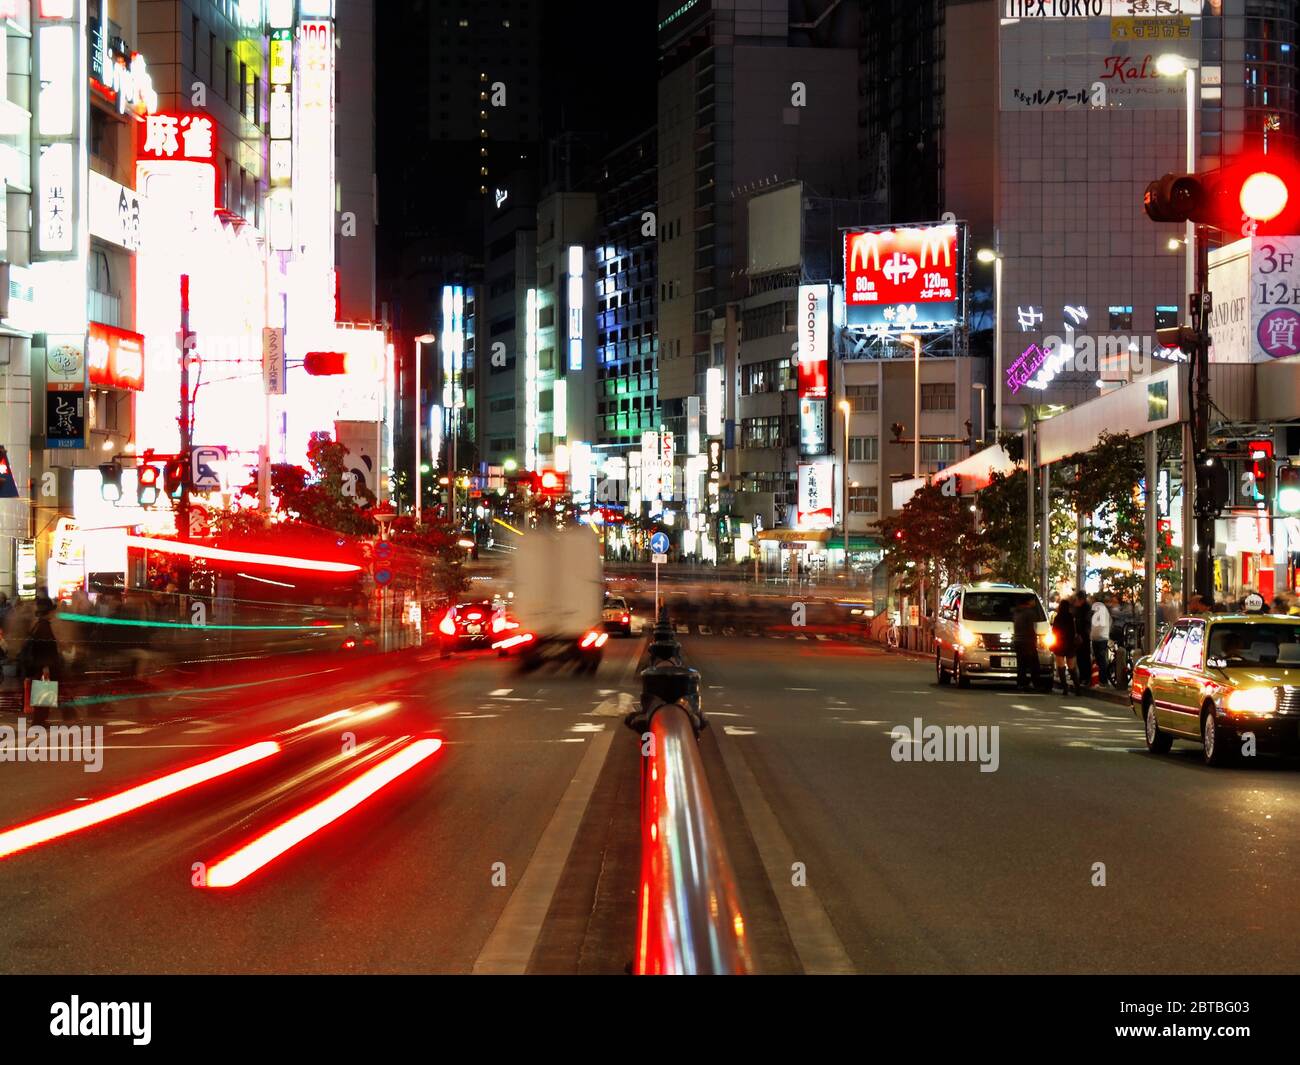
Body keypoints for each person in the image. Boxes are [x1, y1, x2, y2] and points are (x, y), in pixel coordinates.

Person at [20, 597, 64, 725]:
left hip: (40, 665)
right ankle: (39, 721)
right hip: (43, 665)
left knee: (43, 693)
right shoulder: (44, 627)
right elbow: (44, 648)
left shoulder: (38, 625)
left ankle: (39, 720)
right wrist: (46, 667)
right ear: (49, 612)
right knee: (44, 693)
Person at [1051, 596, 1080, 696]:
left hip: (1060, 644)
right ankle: (1077, 688)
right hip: (1070, 644)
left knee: (1061, 666)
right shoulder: (1071, 617)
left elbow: (1054, 631)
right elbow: (1074, 631)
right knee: (1072, 667)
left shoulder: (1057, 618)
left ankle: (1065, 688)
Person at [1012, 594, 1042, 692]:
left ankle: (1021, 683)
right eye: (1033, 600)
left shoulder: (1016, 612)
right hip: (1027, 641)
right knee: (1034, 664)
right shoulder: (1030, 612)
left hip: (1018, 640)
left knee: (1021, 664)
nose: (1034, 603)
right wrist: (1034, 641)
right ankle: (1036, 684)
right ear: (1029, 601)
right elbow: (1031, 628)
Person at [1091, 593, 1112, 687]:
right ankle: (1101, 679)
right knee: (1100, 659)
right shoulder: (1102, 610)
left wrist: (1093, 634)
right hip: (1100, 637)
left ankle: (1103, 680)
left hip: (1100, 638)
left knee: (1101, 659)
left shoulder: (1100, 610)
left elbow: (1098, 625)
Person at [1072, 590, 1093, 687]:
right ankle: (1082, 677)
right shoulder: (1078, 608)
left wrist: (1081, 632)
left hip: (1084, 635)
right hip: (1080, 635)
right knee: (1080, 657)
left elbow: (1085, 622)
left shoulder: (1086, 608)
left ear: (1082, 599)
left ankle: (1086, 677)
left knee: (1084, 657)